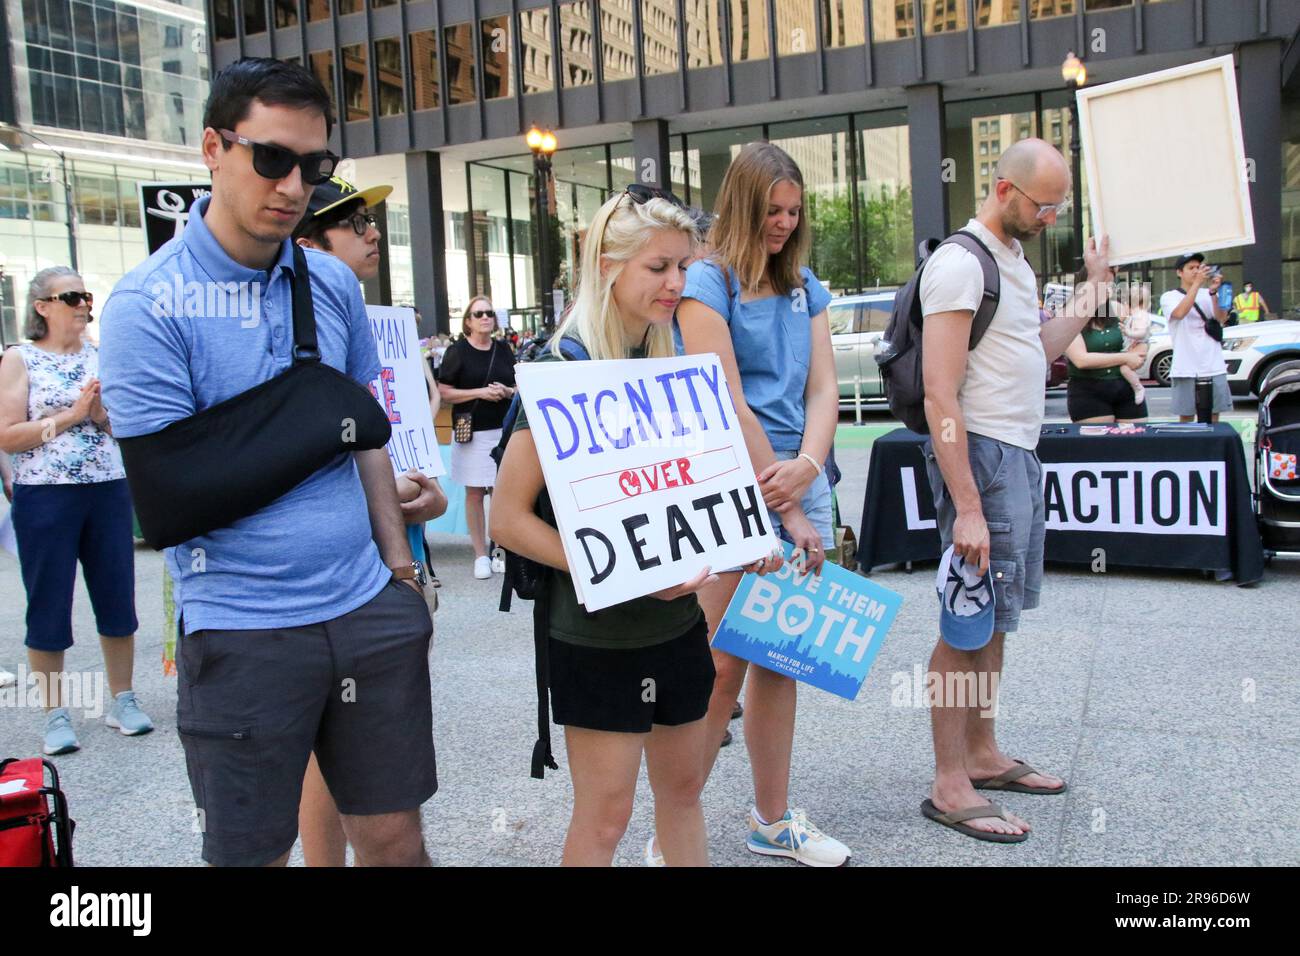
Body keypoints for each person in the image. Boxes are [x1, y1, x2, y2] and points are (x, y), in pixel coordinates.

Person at [98, 58, 437, 867]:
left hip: (366, 609)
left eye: (314, 166)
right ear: (214, 148)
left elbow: (364, 431)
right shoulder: (147, 306)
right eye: (272, 158)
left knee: (394, 840)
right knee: (251, 853)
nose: (294, 185)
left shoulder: (329, 284)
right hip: (243, 627)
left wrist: (398, 566)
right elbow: (170, 498)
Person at [490, 187, 781, 867]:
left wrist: (745, 540)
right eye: (658, 267)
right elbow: (506, 519)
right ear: (608, 267)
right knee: (607, 816)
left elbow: (688, 494)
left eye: (683, 266)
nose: (676, 282)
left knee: (683, 793)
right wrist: (616, 568)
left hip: (677, 627)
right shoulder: (562, 372)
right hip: (595, 635)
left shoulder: (669, 369)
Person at [918, 138, 1114, 842]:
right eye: (1043, 205)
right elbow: (941, 391)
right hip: (986, 457)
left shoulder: (1014, 264)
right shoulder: (959, 264)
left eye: (1058, 206)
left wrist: (1095, 285)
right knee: (965, 620)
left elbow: (1044, 346)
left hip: (1019, 454)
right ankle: (949, 782)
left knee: (995, 618)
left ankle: (981, 751)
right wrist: (967, 504)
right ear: (1004, 190)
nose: (1050, 217)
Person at [677, 144, 850, 867]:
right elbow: (721, 394)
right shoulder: (705, 281)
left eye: (794, 211)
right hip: (729, 481)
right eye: (772, 211)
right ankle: (675, 825)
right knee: (720, 666)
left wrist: (806, 469)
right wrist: (787, 501)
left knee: (781, 658)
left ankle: (773, 821)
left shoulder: (806, 283)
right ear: (743, 207)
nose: (784, 223)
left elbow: (823, 390)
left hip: (797, 478)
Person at [293, 175, 448, 867]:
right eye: (352, 223)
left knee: (376, 751)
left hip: (397, 554)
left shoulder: (385, 326)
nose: (372, 232)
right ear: (307, 245)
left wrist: (426, 499)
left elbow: (401, 446)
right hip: (336, 573)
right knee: (328, 745)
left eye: (369, 219)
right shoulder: (292, 336)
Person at [0, 267, 152, 755]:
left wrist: (104, 414)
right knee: (48, 601)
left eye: (86, 295)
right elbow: (7, 435)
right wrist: (70, 416)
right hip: (44, 493)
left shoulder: (102, 358)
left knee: (116, 595)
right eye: (71, 297)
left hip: (106, 488)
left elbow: (124, 428)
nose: (83, 304)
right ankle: (55, 713)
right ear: (42, 306)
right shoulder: (19, 359)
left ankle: (123, 699)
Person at [437, 296, 516, 579]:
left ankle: (500, 549)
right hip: (471, 430)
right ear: (468, 321)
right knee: (474, 493)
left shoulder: (504, 349)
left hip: (502, 428)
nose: (485, 317)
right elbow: (444, 390)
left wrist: (506, 392)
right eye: (478, 313)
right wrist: (479, 393)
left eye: (489, 313)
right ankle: (480, 554)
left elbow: (518, 384)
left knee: (500, 491)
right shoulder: (457, 352)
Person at [1160, 253, 1232, 423]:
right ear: (1179, 272)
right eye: (1190, 268)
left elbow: (1221, 317)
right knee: (1186, 417)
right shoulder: (1169, 296)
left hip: (1213, 364)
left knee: (1214, 418)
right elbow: (1179, 313)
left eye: (1198, 267)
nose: (1195, 271)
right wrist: (1198, 284)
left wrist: (1214, 292)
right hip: (1185, 366)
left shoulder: (1208, 293)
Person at [1064, 301, 1148, 423]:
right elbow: (1081, 360)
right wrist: (1125, 358)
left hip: (1125, 386)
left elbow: (1141, 337)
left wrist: (1138, 354)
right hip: (1088, 389)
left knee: (1137, 437)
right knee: (1098, 440)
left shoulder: (1118, 309)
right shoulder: (1071, 316)